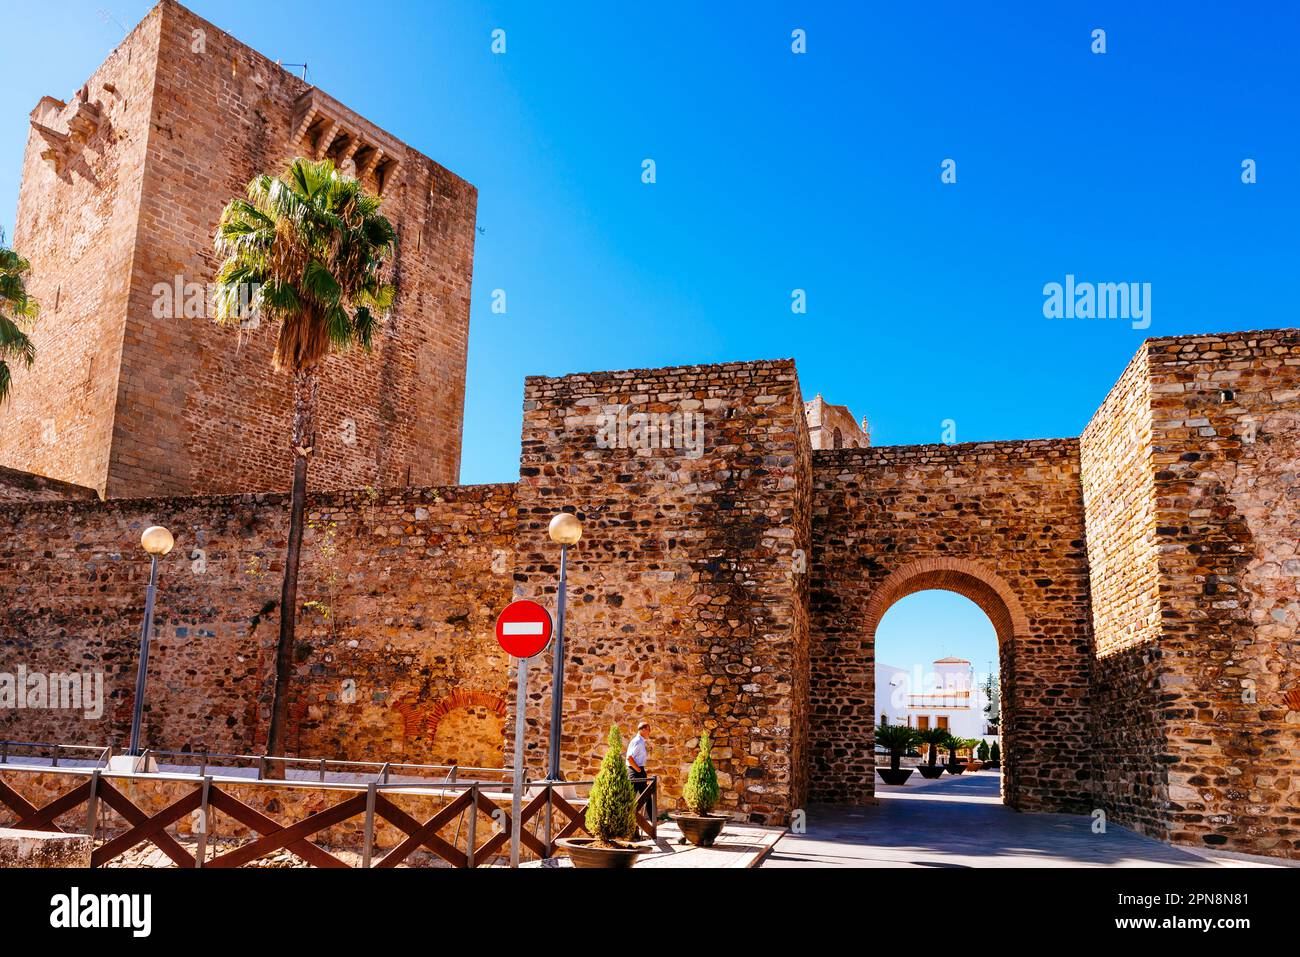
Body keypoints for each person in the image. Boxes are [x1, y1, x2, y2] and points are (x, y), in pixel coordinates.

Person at [626, 721, 650, 791]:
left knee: (646, 798)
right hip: (635, 771)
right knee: (632, 798)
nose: (649, 732)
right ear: (643, 730)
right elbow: (629, 758)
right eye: (649, 730)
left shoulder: (641, 741)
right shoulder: (637, 741)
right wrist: (639, 770)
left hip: (639, 771)